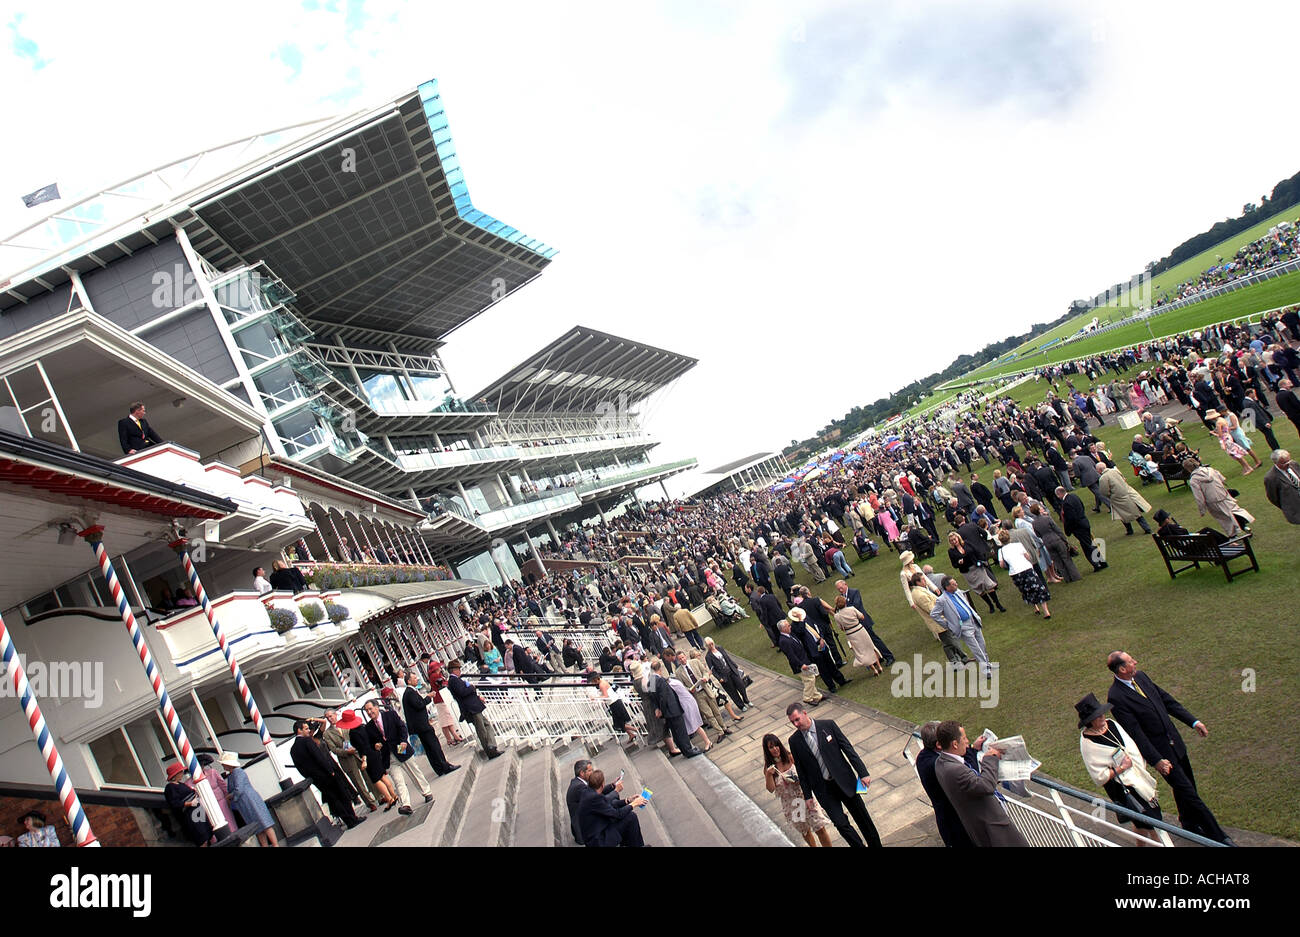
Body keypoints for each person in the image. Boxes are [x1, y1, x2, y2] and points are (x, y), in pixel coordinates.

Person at [1105, 651, 1232, 844]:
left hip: (1176, 743)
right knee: (1189, 793)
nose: (1136, 662)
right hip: (1162, 755)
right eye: (1131, 661)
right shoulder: (1116, 697)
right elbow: (1136, 734)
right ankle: (1219, 837)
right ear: (1122, 669)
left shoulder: (1140, 677)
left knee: (1188, 787)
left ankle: (1188, 823)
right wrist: (1156, 760)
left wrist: (1193, 722)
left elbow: (1166, 700)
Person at [786, 702, 883, 848]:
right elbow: (801, 770)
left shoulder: (828, 725)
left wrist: (862, 773)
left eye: (797, 719)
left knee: (863, 819)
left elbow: (848, 749)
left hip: (845, 781)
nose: (796, 724)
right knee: (840, 824)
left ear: (804, 713)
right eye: (792, 722)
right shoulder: (794, 741)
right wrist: (808, 796)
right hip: (824, 790)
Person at [1075, 694, 1162, 844]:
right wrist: (1122, 768)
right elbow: (1099, 776)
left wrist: (1138, 764)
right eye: (1097, 716)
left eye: (1102, 713)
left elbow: (1131, 746)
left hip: (1138, 777)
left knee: (1141, 823)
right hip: (1122, 787)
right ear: (1089, 721)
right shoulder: (1088, 743)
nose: (1102, 717)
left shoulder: (1112, 724)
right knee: (1155, 823)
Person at [933, 721, 1029, 847]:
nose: (967, 741)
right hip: (993, 832)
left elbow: (972, 784)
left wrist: (974, 749)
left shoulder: (941, 762)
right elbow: (985, 786)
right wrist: (990, 758)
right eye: (964, 738)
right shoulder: (954, 770)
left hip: (986, 829)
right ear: (955, 744)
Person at [362, 698, 432, 816]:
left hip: (401, 749)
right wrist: (375, 746)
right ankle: (405, 805)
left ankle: (426, 792)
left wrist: (404, 741)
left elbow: (402, 728)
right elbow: (370, 743)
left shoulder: (390, 715)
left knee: (414, 772)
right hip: (389, 757)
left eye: (370, 709)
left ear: (376, 707)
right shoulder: (368, 727)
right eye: (366, 711)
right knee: (398, 781)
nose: (369, 712)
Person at [914, 720, 978, 847]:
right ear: (939, 745)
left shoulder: (923, 756)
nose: (964, 741)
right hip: (959, 826)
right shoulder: (940, 765)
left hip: (950, 823)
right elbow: (972, 776)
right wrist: (972, 750)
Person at [291, 719, 364, 829]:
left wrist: (311, 777)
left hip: (316, 779)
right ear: (299, 730)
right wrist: (330, 771)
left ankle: (348, 820)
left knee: (333, 799)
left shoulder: (293, 750)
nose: (308, 731)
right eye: (306, 729)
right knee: (342, 795)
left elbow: (300, 767)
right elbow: (319, 757)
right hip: (327, 774)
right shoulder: (307, 741)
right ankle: (352, 818)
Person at [762, 733, 832, 847]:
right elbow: (770, 789)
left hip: (805, 796)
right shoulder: (769, 768)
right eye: (771, 747)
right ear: (767, 750)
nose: (775, 749)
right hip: (792, 804)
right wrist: (769, 775)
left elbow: (805, 772)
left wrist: (799, 780)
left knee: (820, 827)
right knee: (805, 831)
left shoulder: (789, 756)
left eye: (776, 745)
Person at [401, 671, 460, 777]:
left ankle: (439, 768)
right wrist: (429, 697)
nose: (417, 679)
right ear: (409, 681)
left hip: (420, 726)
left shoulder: (410, 692)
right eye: (414, 678)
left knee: (430, 748)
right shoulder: (409, 693)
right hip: (422, 726)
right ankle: (444, 766)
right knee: (434, 746)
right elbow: (419, 705)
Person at [323, 709, 379, 812]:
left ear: (336, 714)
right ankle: (370, 802)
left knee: (368, 775)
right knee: (357, 782)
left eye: (331, 716)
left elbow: (356, 735)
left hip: (358, 753)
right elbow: (334, 749)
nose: (330, 719)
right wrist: (346, 752)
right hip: (346, 758)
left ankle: (379, 795)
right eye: (327, 718)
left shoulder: (346, 723)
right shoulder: (327, 734)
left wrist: (356, 748)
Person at [929, 576, 990, 671]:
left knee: (982, 644)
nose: (956, 584)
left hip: (973, 621)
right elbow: (934, 614)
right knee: (975, 648)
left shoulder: (958, 592)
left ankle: (987, 663)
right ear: (947, 587)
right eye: (953, 584)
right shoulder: (942, 600)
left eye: (955, 582)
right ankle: (985, 668)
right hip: (963, 626)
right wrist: (948, 625)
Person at [218, 752, 279, 847]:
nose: (222, 765)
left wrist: (229, 797)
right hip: (244, 803)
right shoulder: (231, 775)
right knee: (256, 827)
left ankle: (276, 845)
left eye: (223, 763)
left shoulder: (238, 772)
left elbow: (239, 789)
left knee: (264, 823)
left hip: (250, 801)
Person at [445, 660, 504, 758]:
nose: (460, 671)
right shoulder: (453, 680)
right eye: (458, 669)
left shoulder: (455, 680)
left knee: (486, 725)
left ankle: (491, 745)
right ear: (454, 670)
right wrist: (472, 688)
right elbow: (462, 692)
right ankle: (490, 749)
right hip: (471, 708)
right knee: (482, 729)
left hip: (473, 706)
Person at [575, 768, 647, 846]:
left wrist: (628, 800)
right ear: (602, 784)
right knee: (631, 817)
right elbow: (618, 814)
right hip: (599, 840)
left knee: (629, 816)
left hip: (595, 834)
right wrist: (634, 804)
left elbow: (608, 806)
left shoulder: (587, 793)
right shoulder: (595, 798)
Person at [649, 658, 704, 757]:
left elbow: (653, 697)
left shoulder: (651, 680)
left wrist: (658, 708)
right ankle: (688, 750)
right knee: (681, 731)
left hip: (667, 712)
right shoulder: (660, 680)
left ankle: (684, 749)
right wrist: (662, 709)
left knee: (676, 732)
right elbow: (663, 697)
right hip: (672, 709)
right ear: (660, 669)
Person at [1186, 460, 1254, 537]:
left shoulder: (1194, 480)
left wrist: (1202, 510)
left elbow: (1199, 497)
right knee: (1234, 511)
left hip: (1212, 501)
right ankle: (1244, 527)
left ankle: (1233, 535)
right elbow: (1222, 479)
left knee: (1224, 519)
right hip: (1223, 495)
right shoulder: (1210, 470)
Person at [994, 529, 1051, 618]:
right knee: (1037, 587)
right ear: (1009, 538)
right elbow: (1027, 556)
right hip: (1026, 568)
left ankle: (1035, 607)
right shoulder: (1018, 545)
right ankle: (1046, 611)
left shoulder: (1000, 551)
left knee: (1026, 590)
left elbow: (1001, 564)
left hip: (1015, 573)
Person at [565, 758, 623, 843]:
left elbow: (597, 793)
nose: (592, 772)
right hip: (584, 831)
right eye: (590, 770)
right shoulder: (579, 787)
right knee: (613, 803)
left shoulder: (580, 783)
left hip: (588, 819)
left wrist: (613, 785)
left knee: (612, 801)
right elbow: (598, 800)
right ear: (582, 773)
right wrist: (616, 791)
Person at [163, 762, 214, 845]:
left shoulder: (181, 784)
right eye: (180, 772)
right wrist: (190, 803)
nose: (182, 774)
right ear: (175, 774)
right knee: (201, 835)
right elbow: (174, 803)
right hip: (191, 813)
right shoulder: (170, 788)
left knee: (207, 832)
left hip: (198, 809)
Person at [832, 594, 883, 675]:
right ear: (845, 602)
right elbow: (862, 617)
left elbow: (841, 628)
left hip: (851, 634)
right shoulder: (852, 609)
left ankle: (874, 670)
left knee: (861, 652)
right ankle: (879, 666)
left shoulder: (837, 616)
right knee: (870, 647)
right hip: (860, 630)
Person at [703, 636, 751, 710]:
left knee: (741, 686)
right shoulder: (708, 657)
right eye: (709, 645)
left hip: (731, 670)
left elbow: (727, 658)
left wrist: (735, 666)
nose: (711, 645)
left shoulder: (720, 648)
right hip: (724, 677)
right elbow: (712, 670)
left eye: (712, 643)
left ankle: (746, 700)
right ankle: (741, 706)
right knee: (732, 692)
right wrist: (719, 678)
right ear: (707, 646)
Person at [1263, 449, 1300, 524]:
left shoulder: (1293, 464)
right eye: (1284, 463)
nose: (1288, 464)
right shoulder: (1271, 478)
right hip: (1296, 509)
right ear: (1276, 462)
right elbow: (1273, 497)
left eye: (1289, 460)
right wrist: (1287, 507)